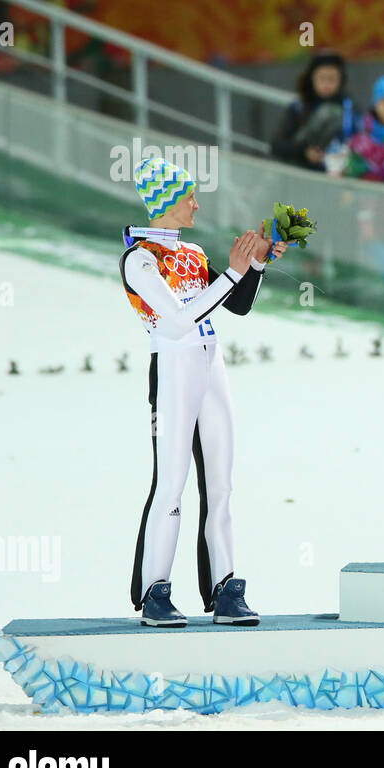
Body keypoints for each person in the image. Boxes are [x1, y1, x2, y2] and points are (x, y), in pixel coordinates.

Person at [121, 157, 287, 626]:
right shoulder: (140, 259)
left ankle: (225, 587)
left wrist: (253, 265)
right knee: (170, 484)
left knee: (221, 483)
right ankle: (155, 589)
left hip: (212, 364)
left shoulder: (191, 253)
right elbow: (176, 321)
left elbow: (236, 304)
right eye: (188, 196)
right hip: (173, 366)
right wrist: (235, 273)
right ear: (167, 201)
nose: (196, 204)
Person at [270, 49, 359, 171]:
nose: (326, 84)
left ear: (341, 81)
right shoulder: (299, 107)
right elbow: (277, 146)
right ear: (312, 79)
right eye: (321, 78)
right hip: (303, 173)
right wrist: (305, 152)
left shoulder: (350, 108)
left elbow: (360, 141)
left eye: (332, 79)